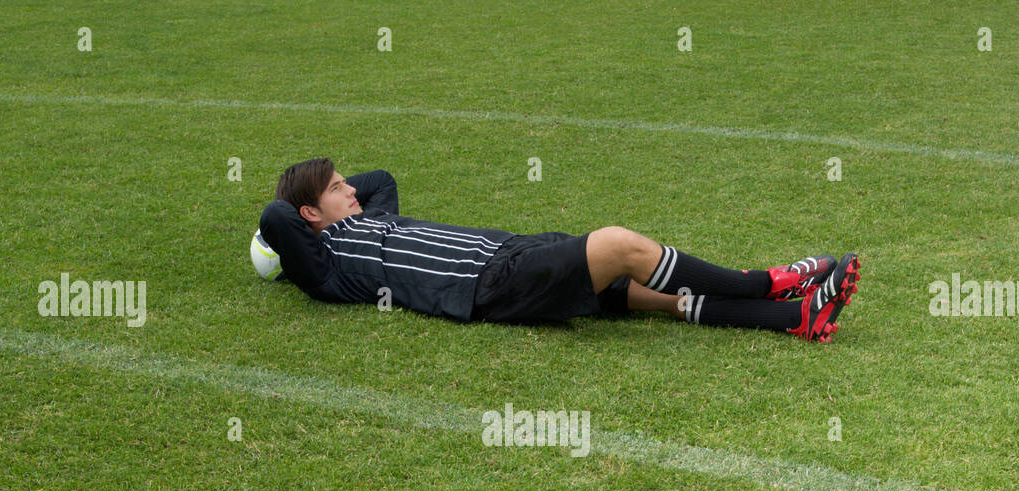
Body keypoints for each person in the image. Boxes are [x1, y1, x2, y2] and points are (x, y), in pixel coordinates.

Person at [258, 158, 859, 342]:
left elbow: (381, 177)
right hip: (492, 284)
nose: (352, 192)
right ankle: (768, 282)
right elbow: (275, 215)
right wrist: (275, 244)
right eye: (336, 189)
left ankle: (794, 317)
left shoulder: (370, 215)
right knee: (621, 246)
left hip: (511, 252)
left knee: (644, 296)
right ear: (310, 216)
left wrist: (335, 192)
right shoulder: (332, 268)